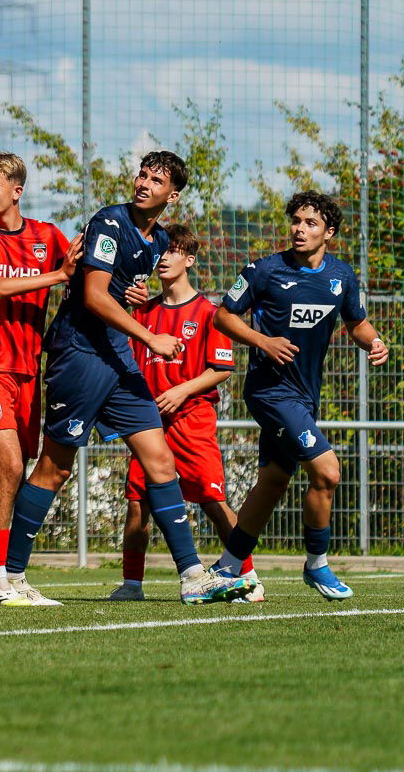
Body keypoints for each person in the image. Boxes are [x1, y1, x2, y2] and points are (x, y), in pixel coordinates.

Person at [4, 152, 251, 605]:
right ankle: (10, 576)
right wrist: (150, 336)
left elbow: (118, 292)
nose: (144, 183)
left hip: (118, 359)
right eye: (142, 174)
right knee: (55, 469)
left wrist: (133, 298)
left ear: (172, 196)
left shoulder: (158, 241)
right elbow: (94, 297)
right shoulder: (109, 223)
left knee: (160, 462)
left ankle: (192, 576)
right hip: (79, 356)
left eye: (156, 180)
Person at [210, 191, 390, 600]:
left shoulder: (341, 276)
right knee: (327, 471)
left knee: (273, 481)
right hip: (270, 391)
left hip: (305, 396)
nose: (299, 229)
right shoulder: (264, 271)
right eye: (296, 221)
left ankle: (227, 566)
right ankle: (317, 563)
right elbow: (223, 315)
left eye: (310, 223)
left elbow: (357, 323)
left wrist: (375, 341)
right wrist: (263, 341)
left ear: (329, 232)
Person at [107, 224, 262, 604]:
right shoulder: (143, 312)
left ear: (189, 259)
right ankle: (132, 584)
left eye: (173, 251)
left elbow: (221, 368)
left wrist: (181, 390)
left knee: (211, 499)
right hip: (149, 421)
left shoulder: (209, 312)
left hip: (192, 416)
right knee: (137, 503)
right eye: (160, 252)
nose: (164, 258)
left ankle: (248, 576)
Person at [0, 153, 75, 605]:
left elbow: (86, 276)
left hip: (27, 373)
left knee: (15, 471)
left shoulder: (47, 236)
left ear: (16, 190)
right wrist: (59, 274)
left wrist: (131, 291)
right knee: (9, 467)